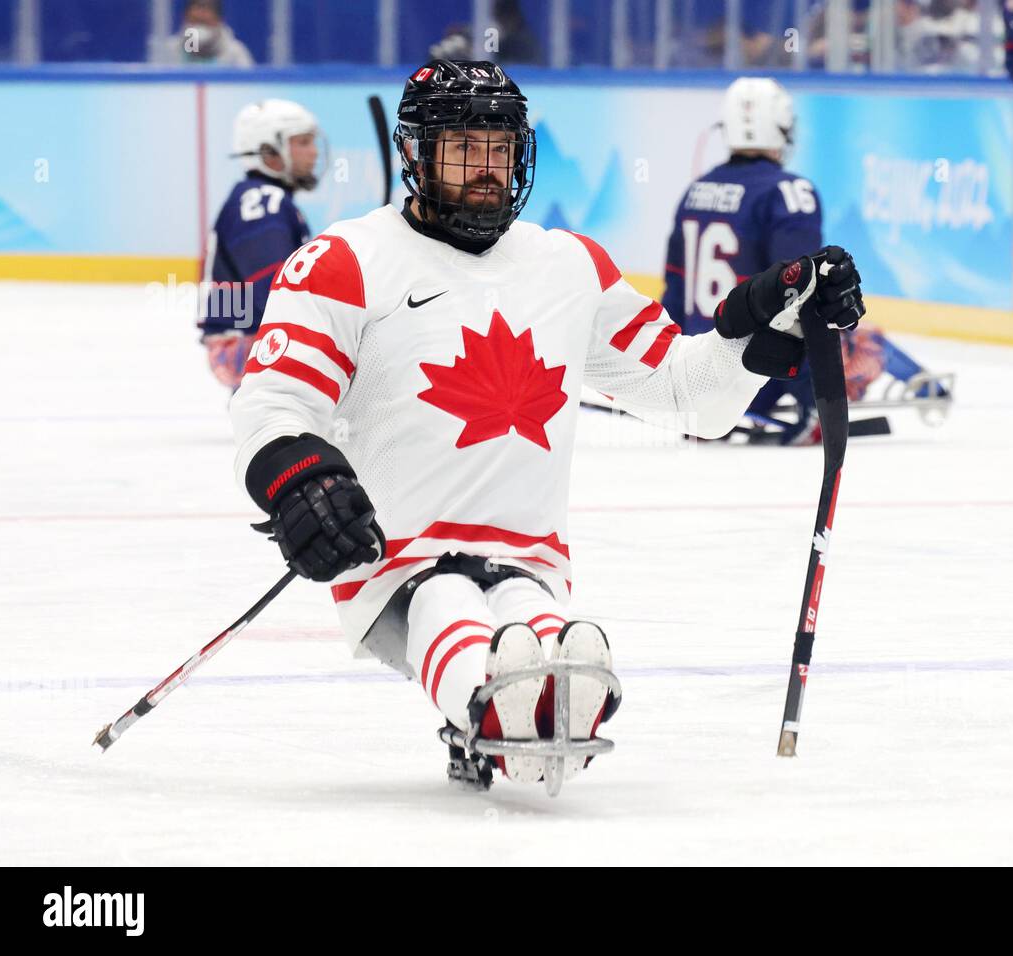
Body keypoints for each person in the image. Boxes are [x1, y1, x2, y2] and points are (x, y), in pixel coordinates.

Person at [228, 60, 864, 789]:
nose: (488, 169)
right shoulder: (344, 262)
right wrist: (300, 481)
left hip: (529, 559)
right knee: (443, 600)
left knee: (550, 634)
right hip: (396, 559)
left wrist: (762, 322)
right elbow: (272, 401)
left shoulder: (569, 267)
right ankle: (490, 701)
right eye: (465, 147)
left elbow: (689, 396)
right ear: (415, 152)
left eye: (501, 149)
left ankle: (547, 685)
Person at [661, 77, 942, 444]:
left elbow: (673, 294)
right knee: (864, 340)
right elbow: (801, 297)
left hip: (697, 376)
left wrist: (674, 386)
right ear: (780, 128)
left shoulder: (695, 193)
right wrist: (811, 396)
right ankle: (822, 406)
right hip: (757, 380)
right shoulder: (790, 193)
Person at [199, 100, 323, 392]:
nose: (314, 152)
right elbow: (274, 290)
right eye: (303, 143)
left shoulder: (260, 198)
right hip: (247, 348)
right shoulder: (265, 201)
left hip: (240, 345)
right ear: (270, 152)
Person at [151, 0, 255, 67]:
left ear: (218, 21)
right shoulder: (171, 49)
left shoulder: (235, 52)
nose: (199, 30)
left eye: (204, 23)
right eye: (195, 22)